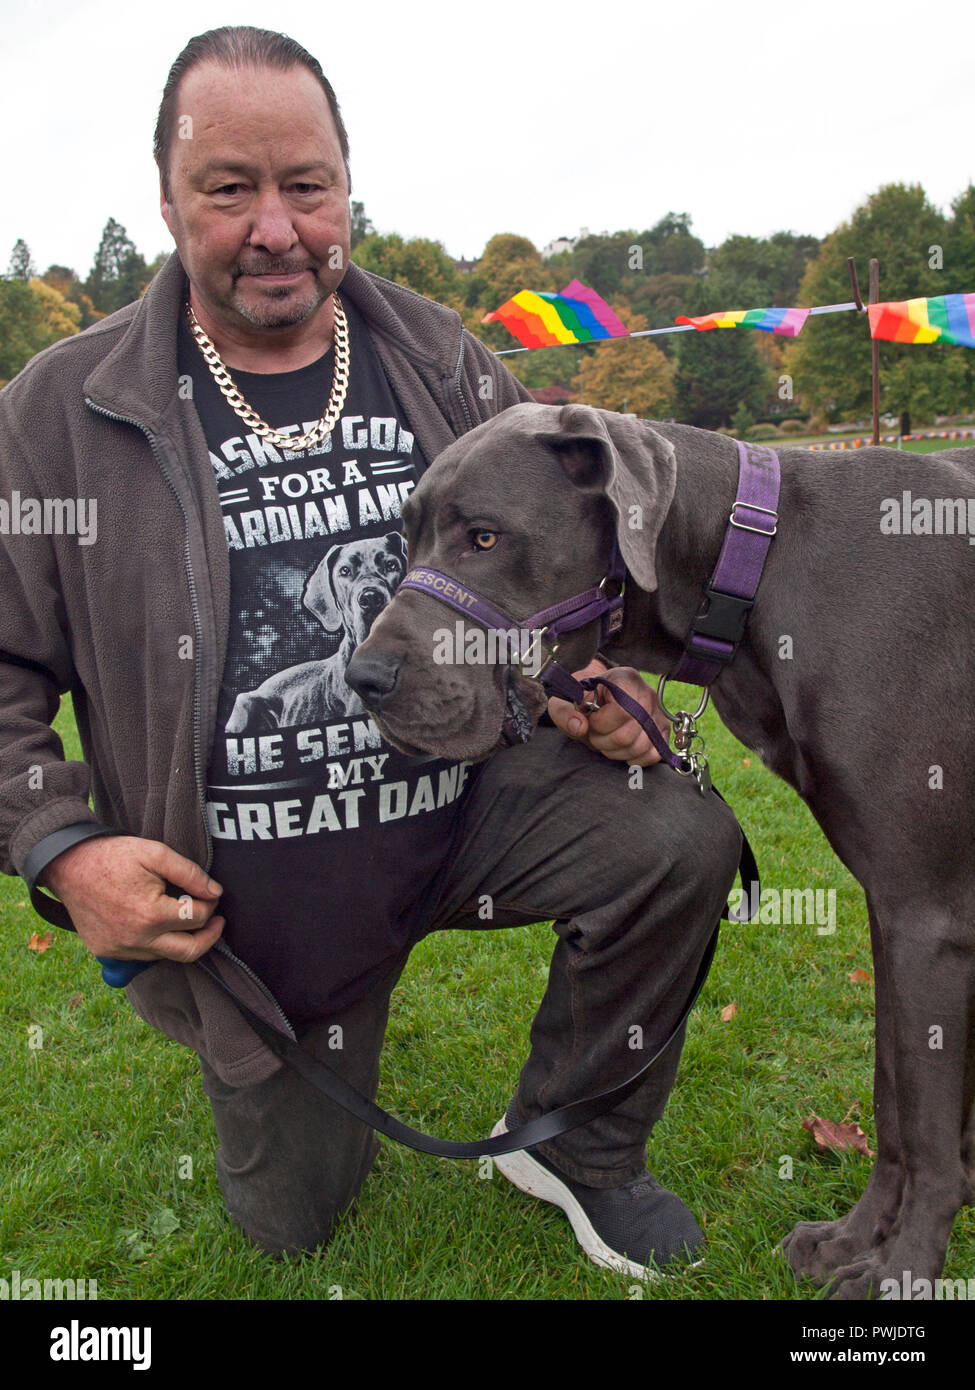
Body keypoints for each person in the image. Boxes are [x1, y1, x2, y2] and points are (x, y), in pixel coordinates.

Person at [0, 25, 741, 1277]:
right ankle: (301, 1040)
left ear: (349, 187)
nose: (277, 226)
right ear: (169, 203)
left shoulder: (443, 361)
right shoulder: (60, 414)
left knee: (677, 832)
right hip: (252, 900)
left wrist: (582, 683)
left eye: (307, 184)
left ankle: (575, 1140)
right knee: (295, 1223)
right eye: (230, 188)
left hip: (470, 811)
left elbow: (574, 559)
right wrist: (62, 849)